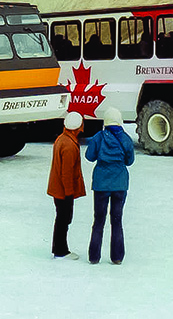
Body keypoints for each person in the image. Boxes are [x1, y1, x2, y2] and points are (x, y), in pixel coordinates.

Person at [85, 107, 135, 265]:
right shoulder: (126, 139)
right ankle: (117, 257)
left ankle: (94, 256)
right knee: (117, 220)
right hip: (120, 184)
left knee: (98, 220)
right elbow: (129, 161)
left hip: (101, 185)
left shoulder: (98, 137)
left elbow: (89, 156)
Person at [47, 111, 87, 259]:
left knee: (61, 219)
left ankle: (59, 249)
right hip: (63, 191)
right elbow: (67, 173)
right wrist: (69, 193)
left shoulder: (61, 139)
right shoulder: (69, 146)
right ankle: (61, 251)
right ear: (78, 127)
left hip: (57, 188)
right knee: (64, 219)